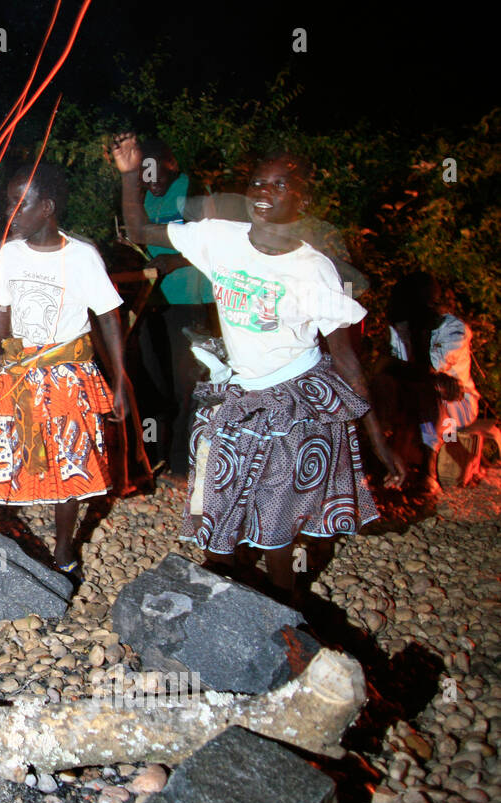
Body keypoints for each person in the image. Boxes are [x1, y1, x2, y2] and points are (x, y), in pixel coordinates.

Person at [112, 134, 408, 603]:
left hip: (295, 401)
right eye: (257, 182)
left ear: (302, 199)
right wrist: (130, 174)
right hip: (240, 394)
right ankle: (219, 595)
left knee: (277, 518)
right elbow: (140, 230)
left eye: (279, 184)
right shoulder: (218, 238)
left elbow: (347, 360)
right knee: (218, 500)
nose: (263, 192)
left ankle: (281, 613)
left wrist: (379, 443)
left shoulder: (314, 271)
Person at [0, 162, 129, 583]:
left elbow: (109, 317)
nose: (11, 212)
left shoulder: (82, 257)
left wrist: (120, 379)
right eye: (8, 203)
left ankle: (62, 547)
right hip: (18, 371)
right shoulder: (9, 254)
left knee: (68, 463)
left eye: (22, 204)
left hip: (66, 374)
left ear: (48, 207)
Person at [130, 139, 216, 477]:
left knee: (188, 388)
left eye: (154, 167)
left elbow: (212, 244)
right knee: (152, 387)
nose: (150, 177)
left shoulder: (192, 190)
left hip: (189, 302)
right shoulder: (143, 197)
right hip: (152, 303)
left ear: (172, 163)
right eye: (143, 171)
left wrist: (174, 260)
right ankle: (153, 457)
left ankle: (184, 464)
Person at [386, 272, 482, 491]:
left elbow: (426, 370)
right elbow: (398, 369)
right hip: (422, 397)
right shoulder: (402, 327)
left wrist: (419, 334)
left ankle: (428, 472)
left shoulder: (454, 329)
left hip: (457, 405)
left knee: (429, 388)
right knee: (386, 384)